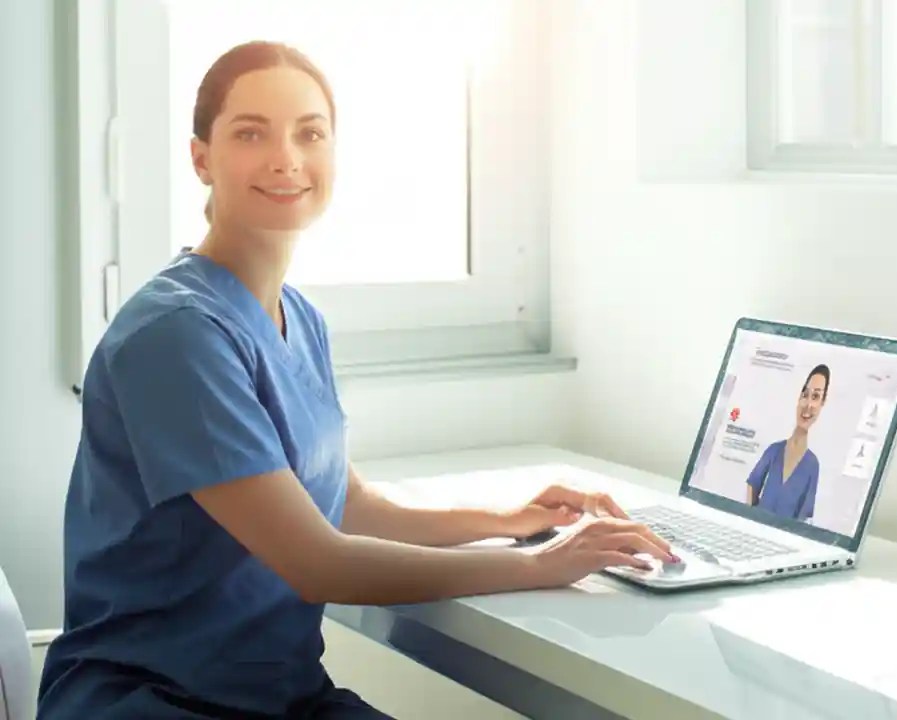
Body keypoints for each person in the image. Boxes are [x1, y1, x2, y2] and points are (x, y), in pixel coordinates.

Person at [36, 41, 673, 720]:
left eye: (310, 133)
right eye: (251, 133)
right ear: (201, 158)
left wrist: (512, 521)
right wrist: (540, 566)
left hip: (281, 698)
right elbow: (320, 563)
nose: (286, 157)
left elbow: (344, 505)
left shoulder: (297, 317)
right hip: (155, 701)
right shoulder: (176, 335)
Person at [744, 365, 830, 522]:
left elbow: (804, 514)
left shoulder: (812, 465)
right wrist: (750, 520)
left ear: (823, 403)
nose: (808, 404)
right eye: (805, 394)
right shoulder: (774, 450)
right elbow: (753, 484)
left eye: (816, 397)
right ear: (798, 398)